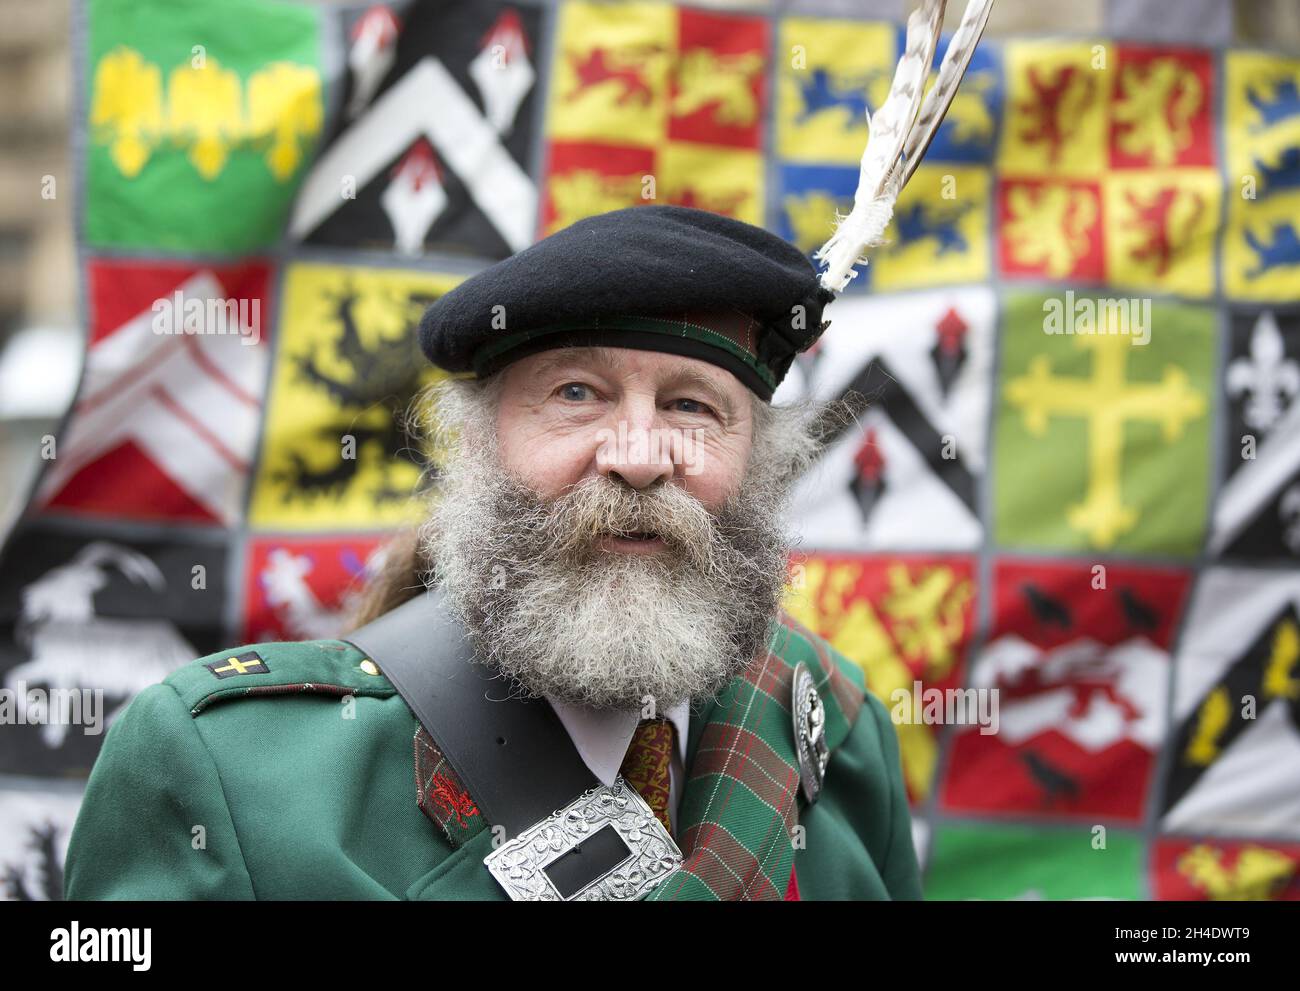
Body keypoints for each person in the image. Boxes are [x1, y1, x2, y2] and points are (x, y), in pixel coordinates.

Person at [63, 205, 922, 901]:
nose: (637, 453)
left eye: (693, 406)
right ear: (476, 450)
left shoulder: (834, 739)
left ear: (758, 471)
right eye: (576, 394)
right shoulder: (226, 770)